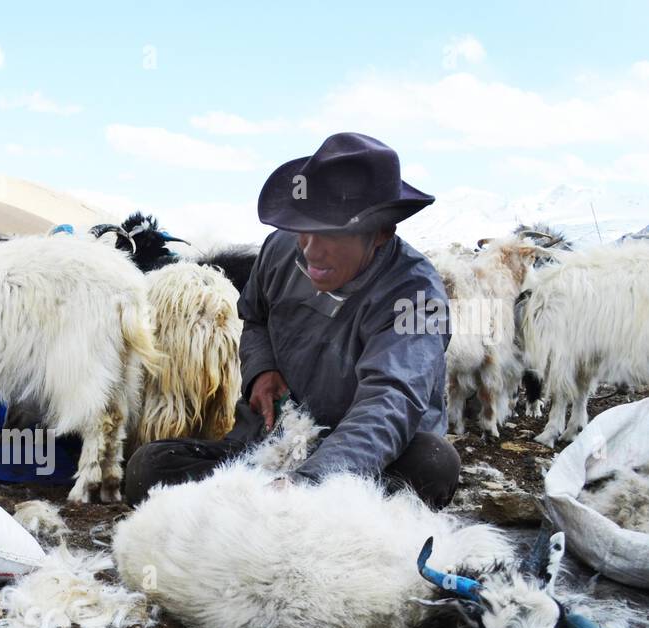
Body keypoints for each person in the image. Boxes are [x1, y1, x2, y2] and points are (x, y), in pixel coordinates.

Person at [124, 133, 460, 509]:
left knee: (433, 464)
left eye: (334, 233)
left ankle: (259, 514)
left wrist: (309, 484)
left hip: (371, 458)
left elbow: (390, 401)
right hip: (274, 441)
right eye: (306, 227)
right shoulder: (281, 250)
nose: (312, 250)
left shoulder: (416, 297)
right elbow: (253, 319)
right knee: (149, 468)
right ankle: (271, 514)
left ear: (381, 233)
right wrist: (262, 370)